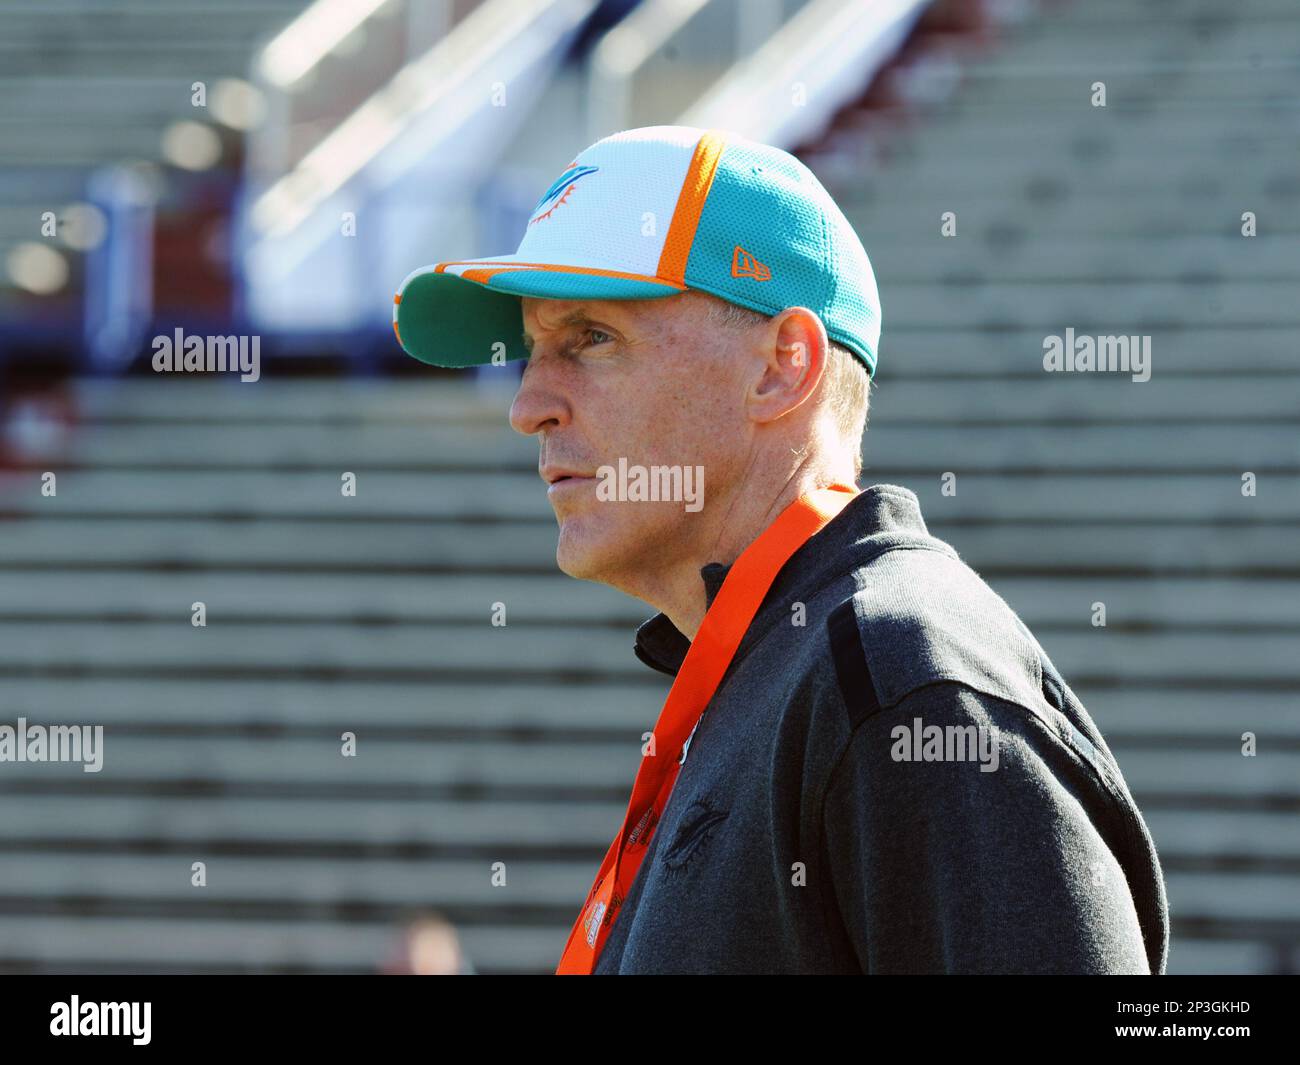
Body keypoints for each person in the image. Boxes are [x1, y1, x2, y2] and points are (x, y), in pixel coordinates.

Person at [393, 125, 1169, 975]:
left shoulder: (895, 671)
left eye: (591, 337)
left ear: (781, 366)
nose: (528, 405)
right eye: (534, 348)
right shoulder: (796, 666)